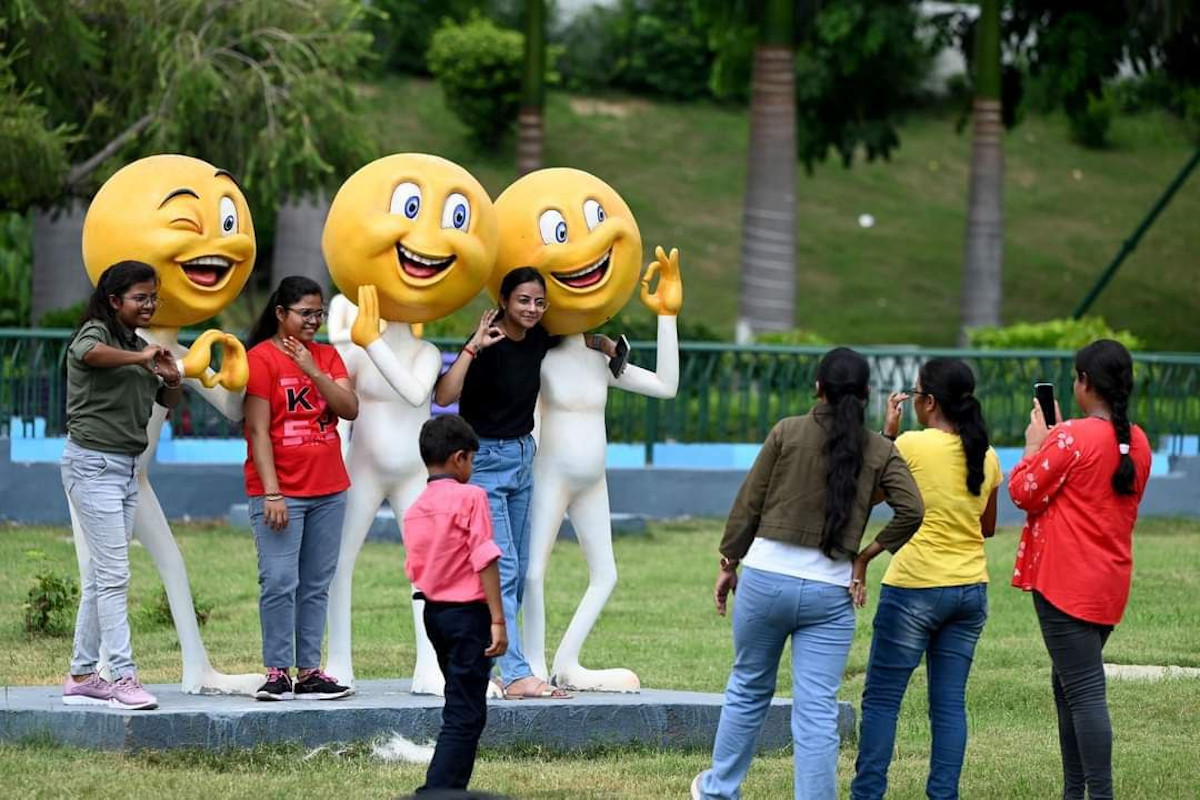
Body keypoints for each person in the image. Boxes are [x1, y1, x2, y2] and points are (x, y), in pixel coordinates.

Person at [692, 347, 924, 800]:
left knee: (747, 688)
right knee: (816, 710)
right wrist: (866, 556)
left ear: (818, 388)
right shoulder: (879, 449)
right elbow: (912, 510)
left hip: (764, 581)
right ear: (865, 394)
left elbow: (749, 504)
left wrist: (728, 562)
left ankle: (719, 791)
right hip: (829, 593)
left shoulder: (787, 431)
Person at [433, 266, 615, 699]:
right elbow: (443, 397)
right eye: (523, 301)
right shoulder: (488, 341)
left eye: (539, 302)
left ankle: (489, 663)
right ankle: (516, 674)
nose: (532, 309)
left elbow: (578, 335)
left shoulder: (538, 337)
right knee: (504, 567)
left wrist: (606, 344)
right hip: (487, 463)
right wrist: (472, 348)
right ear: (503, 300)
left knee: (510, 573)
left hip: (522, 458)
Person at [850, 358, 1002, 800]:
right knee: (949, 705)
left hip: (914, 587)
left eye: (916, 395)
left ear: (930, 402)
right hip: (970, 589)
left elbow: (871, 493)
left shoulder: (913, 445)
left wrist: (888, 436)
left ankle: (867, 794)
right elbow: (986, 526)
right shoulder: (987, 455)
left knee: (881, 700)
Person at [1009, 339, 1151, 800]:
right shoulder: (1139, 441)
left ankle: (1099, 794)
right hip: (1108, 584)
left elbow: (1024, 491)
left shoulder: (1071, 436)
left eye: (1076, 378)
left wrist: (1034, 445)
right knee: (1068, 683)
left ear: (1086, 383)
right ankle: (1075, 791)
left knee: (1085, 690)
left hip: (1064, 584)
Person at [61, 261, 181, 710]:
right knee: (114, 577)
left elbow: (163, 400)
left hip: (126, 469)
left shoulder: (137, 344)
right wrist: (142, 358)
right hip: (92, 465)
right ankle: (123, 678)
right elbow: (88, 356)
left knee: (99, 576)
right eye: (140, 298)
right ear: (115, 301)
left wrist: (171, 379)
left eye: (153, 298)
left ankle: (80, 674)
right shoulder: (96, 333)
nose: (149, 305)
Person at [244, 276, 359, 700]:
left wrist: (312, 368)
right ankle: (277, 671)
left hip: (330, 489)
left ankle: (309, 670)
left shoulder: (328, 357)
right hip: (280, 492)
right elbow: (257, 431)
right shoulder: (260, 359)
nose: (314, 321)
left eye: (319, 313)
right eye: (305, 313)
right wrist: (272, 493)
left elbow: (349, 408)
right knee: (278, 580)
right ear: (280, 314)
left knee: (316, 583)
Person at [403, 414, 507, 794]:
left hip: (435, 615)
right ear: (459, 458)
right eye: (473, 460)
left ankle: (452, 789)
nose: (473, 468)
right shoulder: (472, 497)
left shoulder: (415, 509)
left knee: (463, 704)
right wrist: (498, 619)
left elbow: (412, 567)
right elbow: (485, 557)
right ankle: (437, 791)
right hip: (469, 617)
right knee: (465, 712)